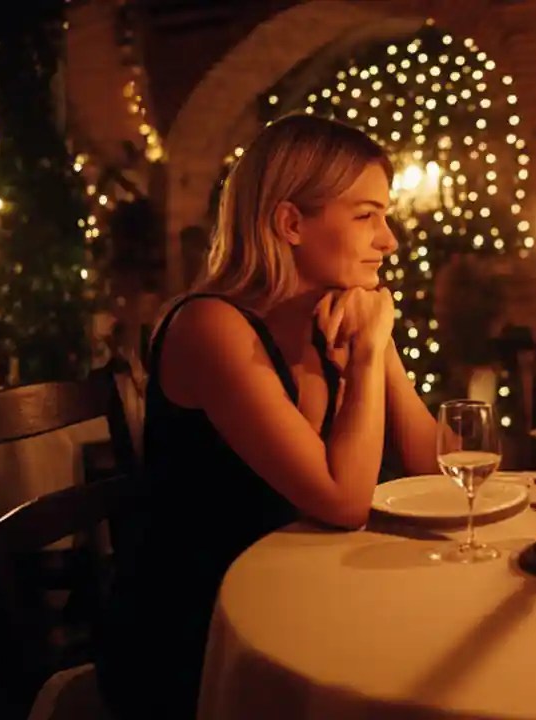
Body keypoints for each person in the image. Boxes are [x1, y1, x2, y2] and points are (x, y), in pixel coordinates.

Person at [96, 114, 439, 718]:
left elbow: (434, 464)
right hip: (205, 641)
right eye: (366, 216)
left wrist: (377, 346)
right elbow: (342, 501)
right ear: (289, 223)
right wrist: (366, 356)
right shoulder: (211, 329)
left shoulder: (339, 314)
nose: (389, 240)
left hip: (312, 599)